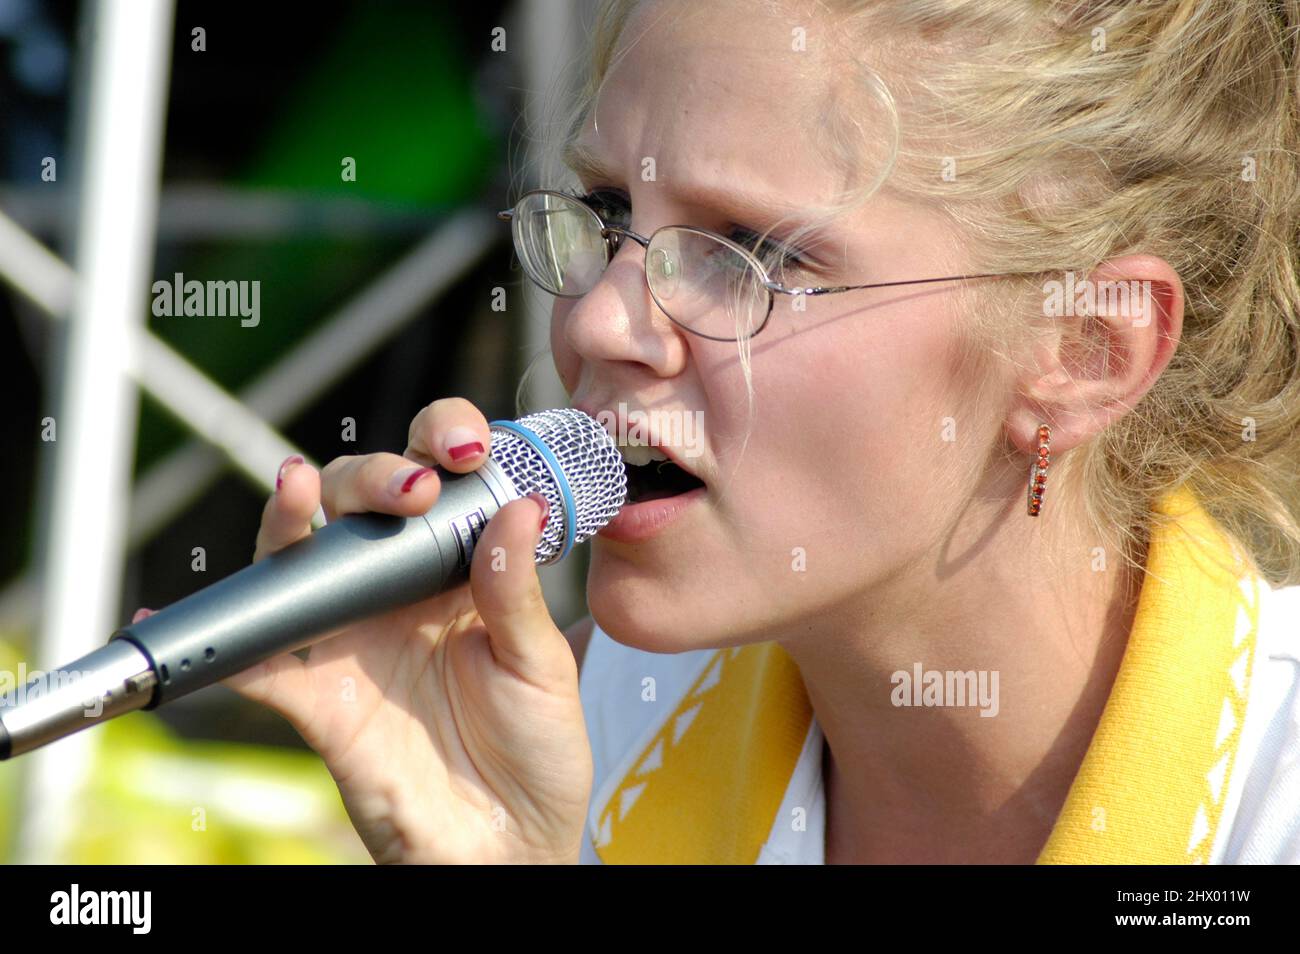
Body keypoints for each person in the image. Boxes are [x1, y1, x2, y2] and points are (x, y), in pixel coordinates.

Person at [137, 0, 1300, 863]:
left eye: (753, 253)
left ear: (1082, 351)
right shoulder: (585, 726)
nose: (597, 320)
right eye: (606, 216)